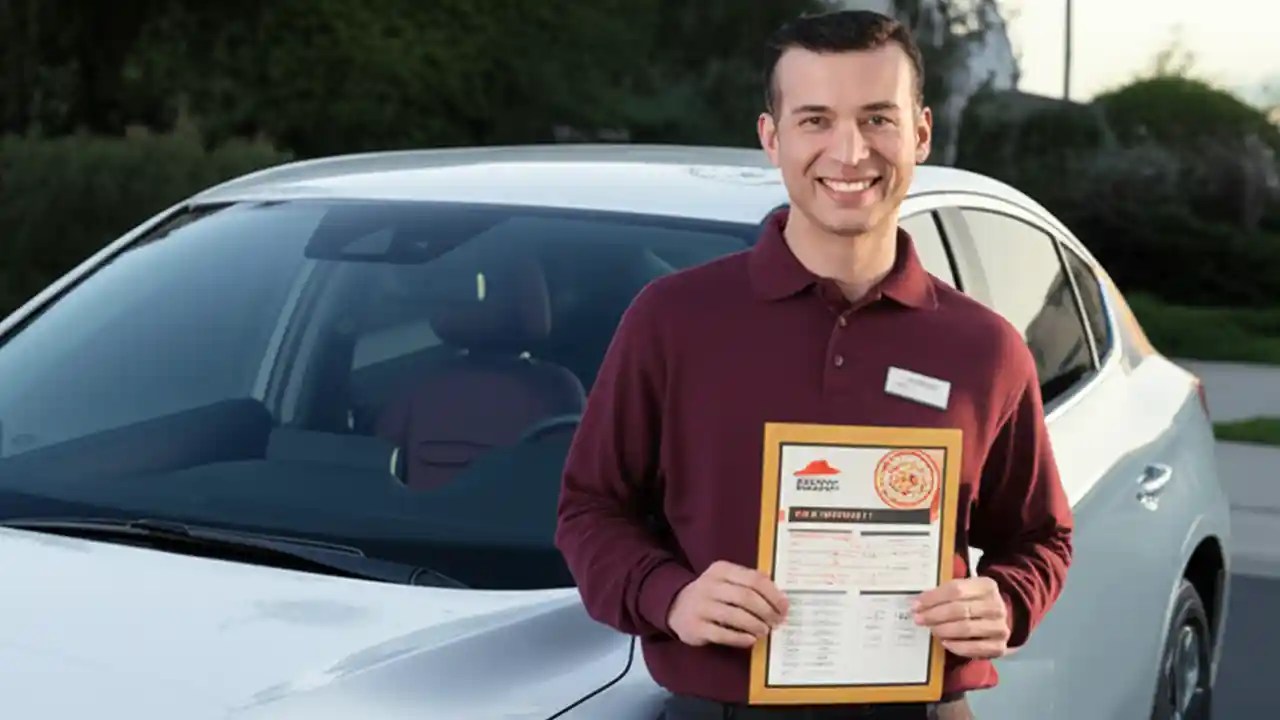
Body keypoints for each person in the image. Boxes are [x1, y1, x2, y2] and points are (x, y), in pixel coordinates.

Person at [554, 8, 1073, 720]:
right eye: (816, 119)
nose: (850, 151)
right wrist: (668, 595)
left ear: (920, 133)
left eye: (878, 119)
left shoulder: (984, 348)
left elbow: (1040, 537)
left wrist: (1008, 602)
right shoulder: (673, 321)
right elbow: (591, 510)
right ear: (772, 137)